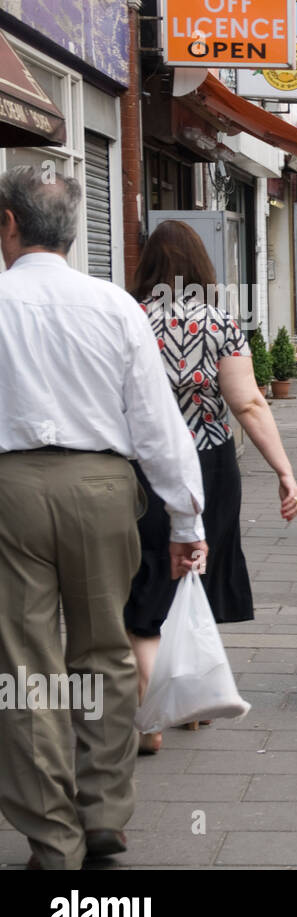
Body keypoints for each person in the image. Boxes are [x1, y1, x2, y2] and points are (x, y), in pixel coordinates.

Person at [0, 168, 207, 869]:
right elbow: (156, 423)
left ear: (8, 224)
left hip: (12, 489)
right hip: (103, 487)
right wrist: (185, 519)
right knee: (106, 654)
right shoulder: (114, 307)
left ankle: (51, 837)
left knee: (27, 668)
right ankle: (104, 814)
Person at [124, 220, 297, 755]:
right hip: (209, 465)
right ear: (203, 267)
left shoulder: (128, 318)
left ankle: (149, 719)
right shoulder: (220, 321)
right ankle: (192, 705)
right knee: (193, 575)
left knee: (145, 584)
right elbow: (248, 402)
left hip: (141, 468)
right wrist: (284, 470)